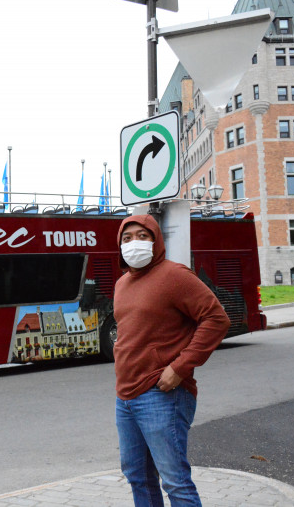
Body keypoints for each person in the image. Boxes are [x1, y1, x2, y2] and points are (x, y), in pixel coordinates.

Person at [113, 214, 229, 507]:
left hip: (162, 394)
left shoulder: (174, 275)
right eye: (127, 239)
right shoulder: (122, 284)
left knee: (175, 482)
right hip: (126, 396)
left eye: (142, 236)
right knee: (138, 476)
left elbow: (216, 319)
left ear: (156, 240)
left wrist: (180, 367)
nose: (134, 243)